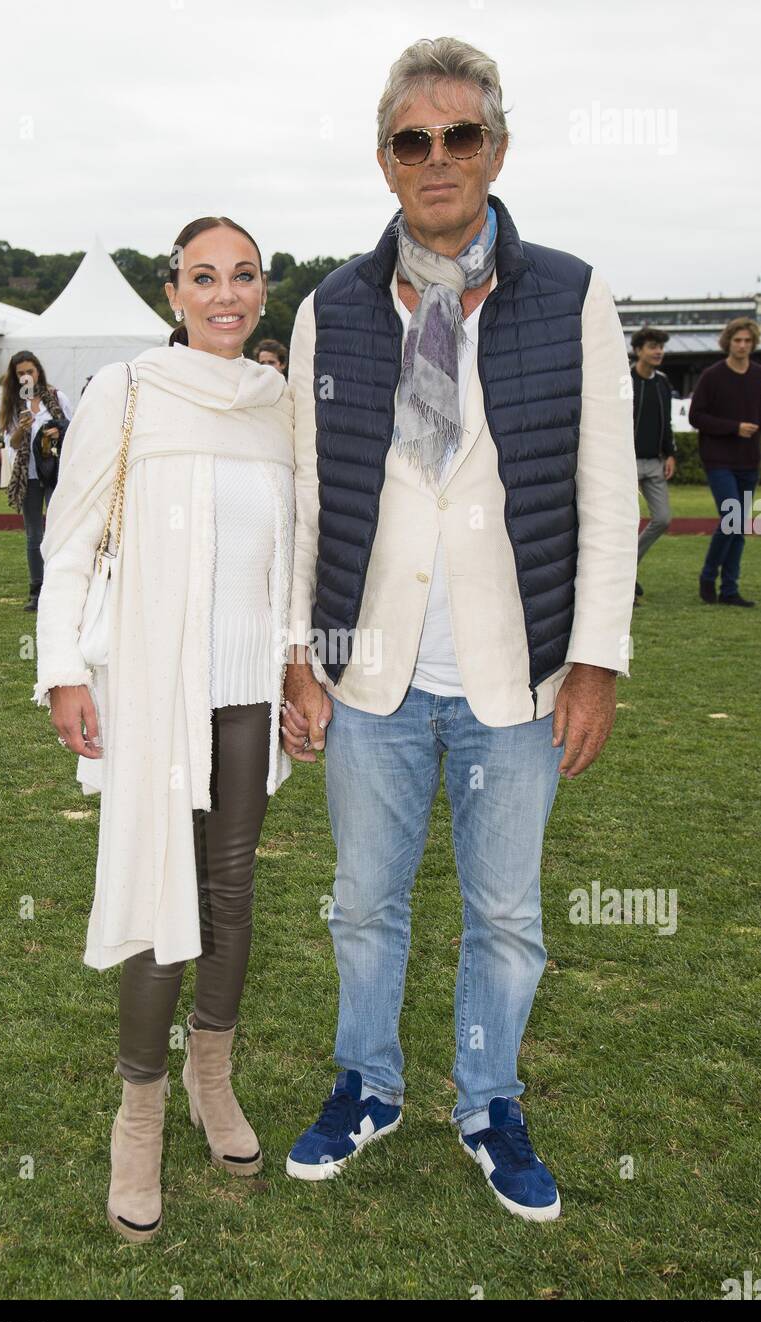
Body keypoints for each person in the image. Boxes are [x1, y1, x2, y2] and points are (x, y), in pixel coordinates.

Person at [281, 36, 638, 1221]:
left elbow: (603, 496)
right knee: (363, 904)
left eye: (459, 136)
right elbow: (309, 501)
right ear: (384, 161)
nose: (436, 158)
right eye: (411, 140)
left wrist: (594, 662)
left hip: (518, 680)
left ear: (496, 148)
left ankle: (488, 1099)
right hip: (370, 675)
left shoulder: (577, 293)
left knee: (505, 916)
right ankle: (367, 1084)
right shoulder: (330, 308)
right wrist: (302, 651)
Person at [32, 216, 295, 1243]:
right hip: (150, 683)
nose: (223, 294)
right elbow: (70, 537)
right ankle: (136, 1117)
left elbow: (297, 548)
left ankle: (211, 1081)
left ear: (262, 290)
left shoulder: (276, 405)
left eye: (241, 276)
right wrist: (61, 670)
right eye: (202, 277)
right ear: (173, 292)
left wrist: (296, 662)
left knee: (232, 889)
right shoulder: (129, 390)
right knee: (160, 889)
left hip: (246, 692)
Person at [689, 317, 760, 607]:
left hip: (749, 461)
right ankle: (708, 577)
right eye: (737, 340)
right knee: (732, 519)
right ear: (728, 342)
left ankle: (730, 589)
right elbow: (697, 417)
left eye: (747, 341)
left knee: (740, 525)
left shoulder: (758, 375)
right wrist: (734, 427)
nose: (742, 345)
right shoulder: (712, 376)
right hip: (719, 459)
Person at [1, 352, 73, 611]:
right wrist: (23, 428)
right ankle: (37, 590)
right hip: (28, 477)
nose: (25, 376)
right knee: (34, 535)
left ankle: (61, 587)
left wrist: (58, 429)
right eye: (20, 373)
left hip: (53, 473)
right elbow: (12, 442)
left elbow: (73, 427)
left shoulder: (55, 397)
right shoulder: (13, 404)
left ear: (38, 372)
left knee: (58, 531)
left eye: (29, 371)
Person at [630, 327, 677, 601]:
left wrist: (670, 453)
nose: (658, 351)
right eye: (652, 346)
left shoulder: (663, 383)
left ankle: (628, 567)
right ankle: (623, 583)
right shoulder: (624, 379)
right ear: (638, 351)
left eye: (660, 346)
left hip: (654, 463)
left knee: (663, 519)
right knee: (626, 522)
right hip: (628, 463)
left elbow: (666, 422)